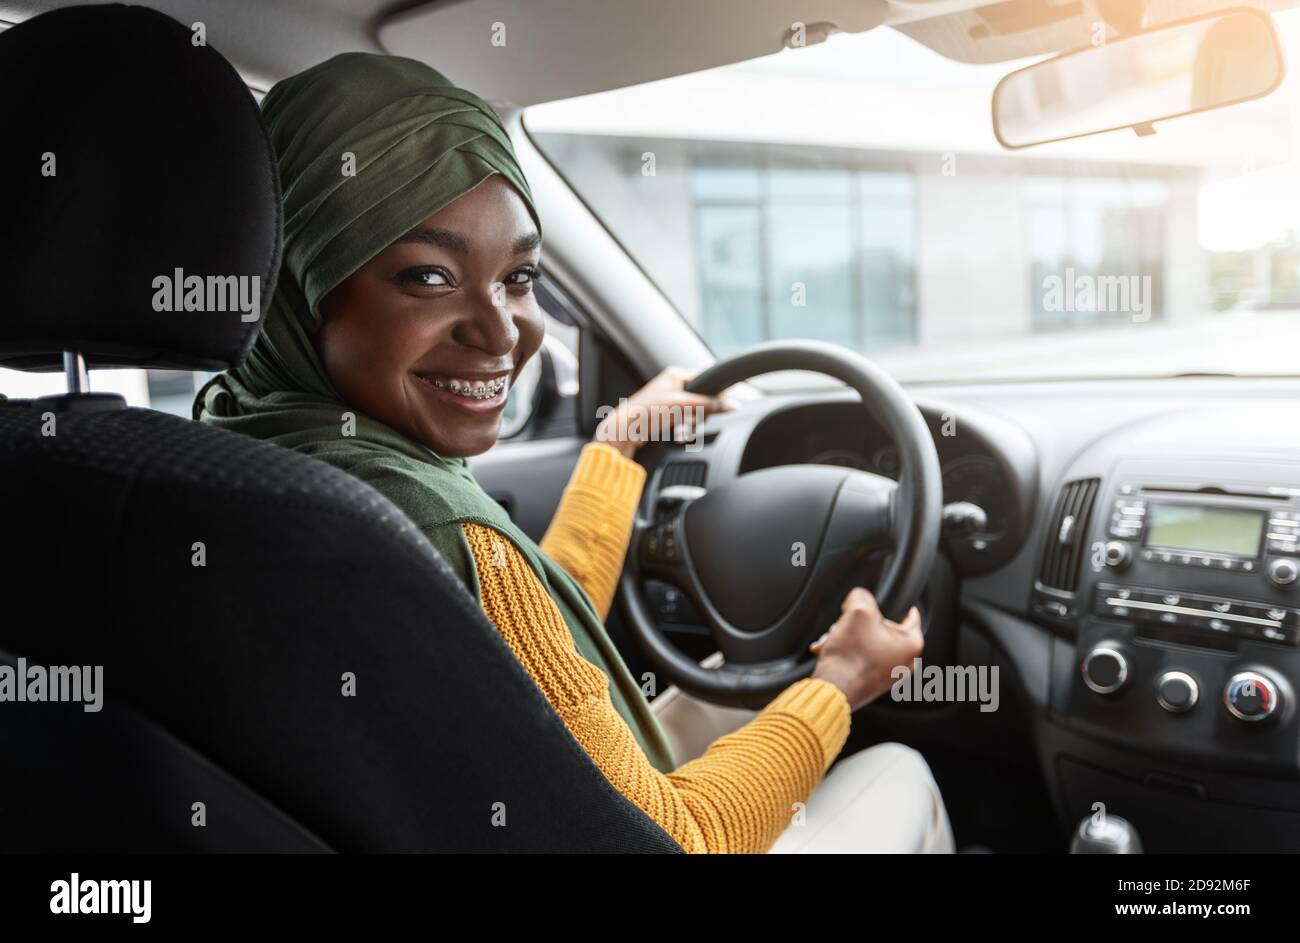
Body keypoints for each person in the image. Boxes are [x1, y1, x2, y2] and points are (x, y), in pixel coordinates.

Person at [196, 52, 953, 854]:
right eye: (426, 275)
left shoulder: (234, 444)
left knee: (743, 674)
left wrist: (619, 444)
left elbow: (514, 644)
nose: (503, 332)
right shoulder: (420, 514)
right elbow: (678, 840)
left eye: (519, 276)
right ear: (299, 274)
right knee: (901, 768)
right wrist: (841, 684)